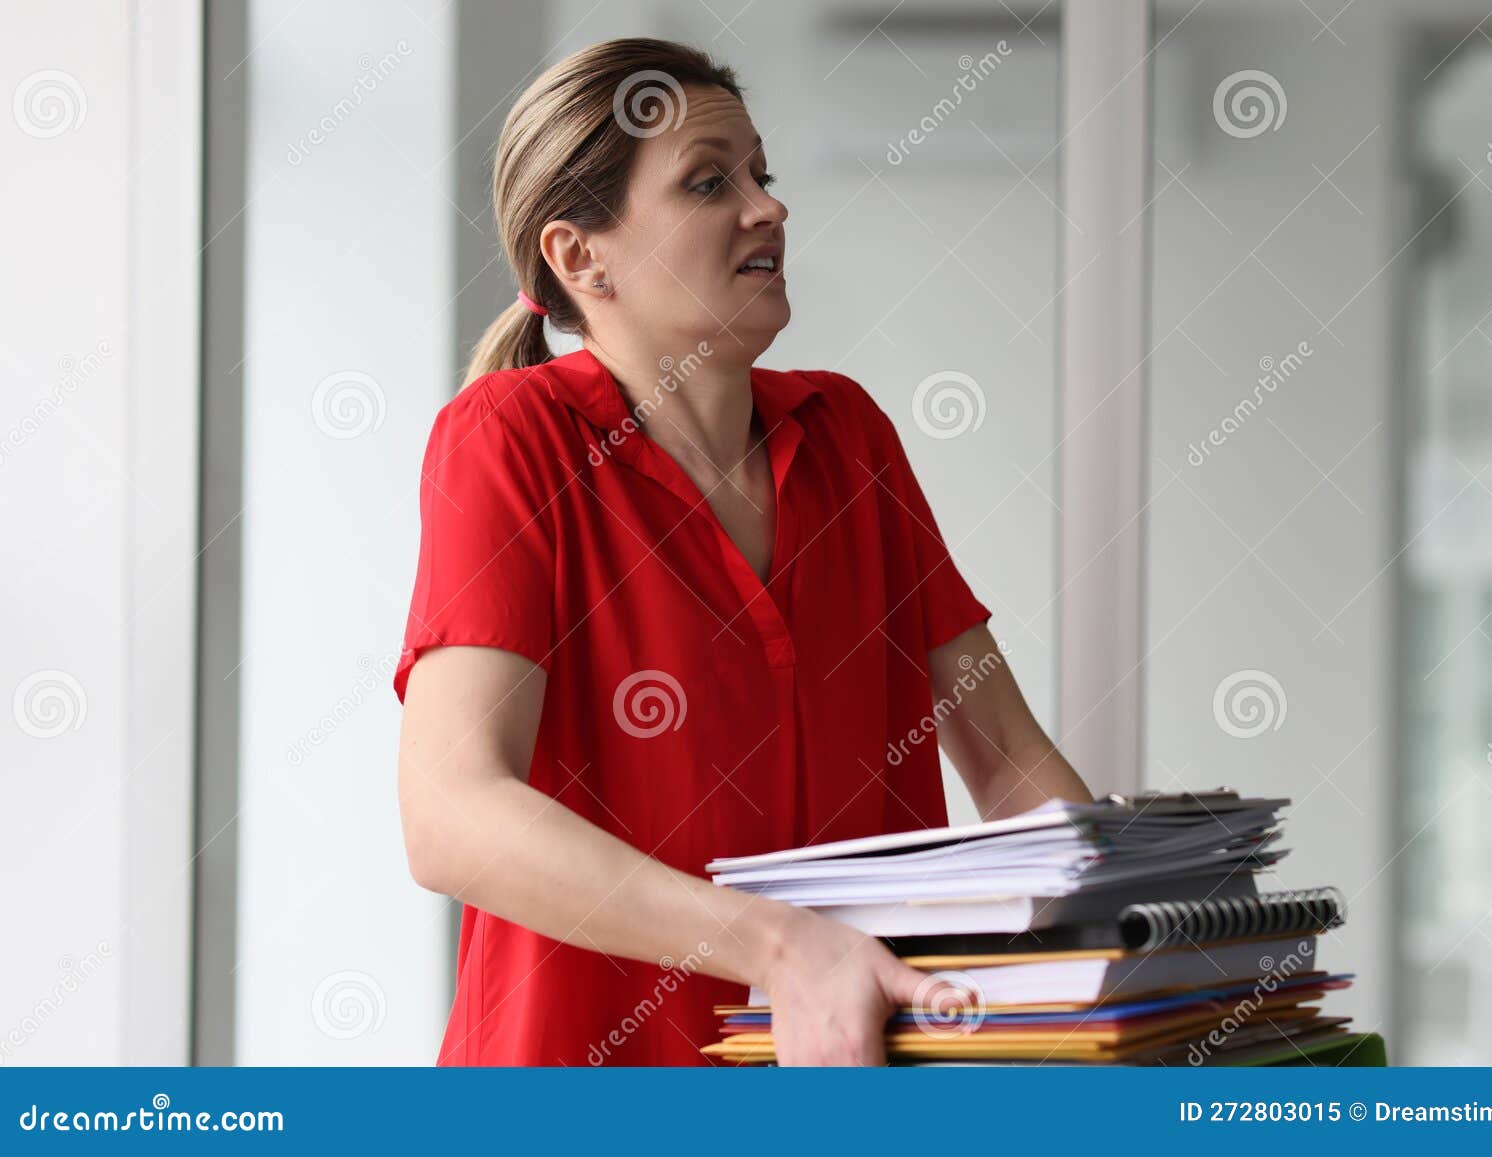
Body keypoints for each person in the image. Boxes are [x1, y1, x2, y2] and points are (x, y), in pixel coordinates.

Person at [393, 36, 1092, 1067]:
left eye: (761, 174)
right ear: (580, 257)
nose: (767, 206)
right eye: (709, 181)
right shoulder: (511, 436)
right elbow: (451, 813)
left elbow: (1006, 756)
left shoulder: (848, 433)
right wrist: (779, 944)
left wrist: (1139, 935)